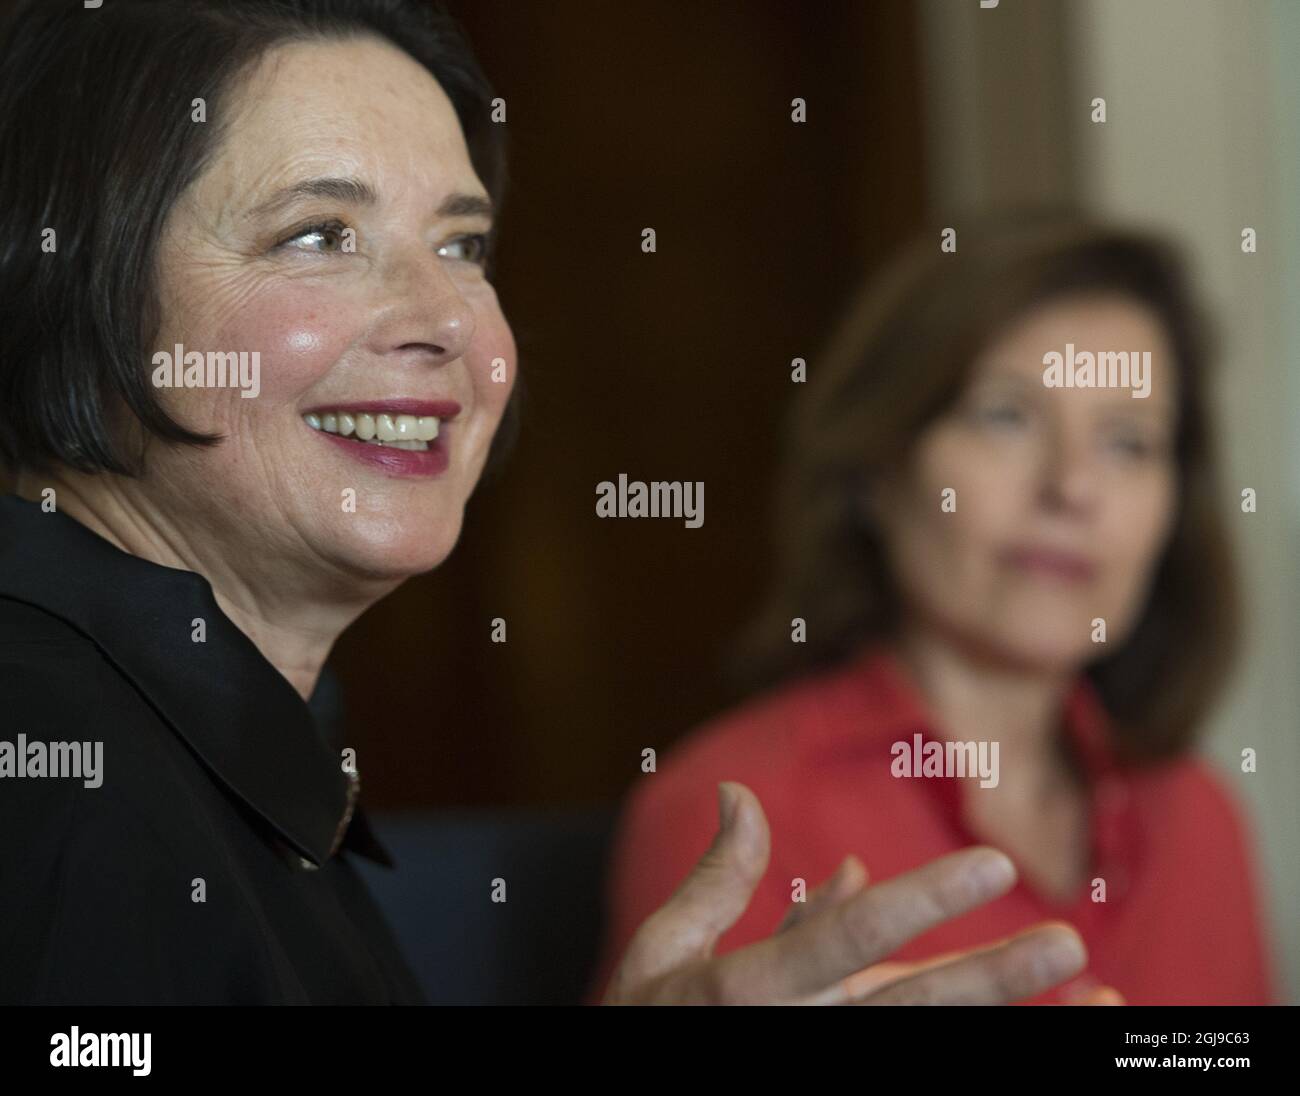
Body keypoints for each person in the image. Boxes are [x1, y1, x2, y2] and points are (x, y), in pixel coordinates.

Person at [0, 0, 1093, 1005]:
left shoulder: (198, 752)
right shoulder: (54, 772)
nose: (447, 318)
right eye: (320, 235)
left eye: (463, 245)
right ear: (66, 280)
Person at [588, 216, 1278, 1005]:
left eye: (1128, 443)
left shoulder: (1202, 816)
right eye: (1006, 416)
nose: (1073, 488)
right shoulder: (734, 808)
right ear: (877, 469)